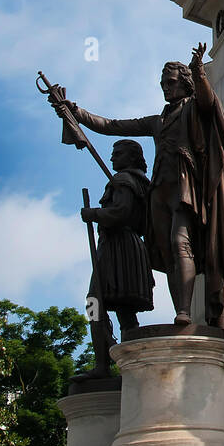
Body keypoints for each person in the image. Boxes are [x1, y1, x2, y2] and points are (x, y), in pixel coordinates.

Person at [51, 44, 224, 330]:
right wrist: (75, 111)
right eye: (163, 84)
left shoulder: (194, 110)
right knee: (166, 252)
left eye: (171, 83)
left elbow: (209, 103)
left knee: (180, 243)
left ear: (184, 84)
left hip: (185, 190)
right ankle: (180, 311)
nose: (166, 89)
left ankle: (184, 311)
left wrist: (199, 71)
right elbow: (111, 125)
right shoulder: (157, 121)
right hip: (159, 192)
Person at [81, 139, 154, 359]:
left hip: (117, 248)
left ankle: (102, 364)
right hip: (131, 249)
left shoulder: (122, 180)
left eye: (118, 153)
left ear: (132, 157)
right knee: (125, 309)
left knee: (94, 301)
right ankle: (129, 362)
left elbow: (121, 211)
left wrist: (92, 214)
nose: (112, 157)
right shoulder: (142, 183)